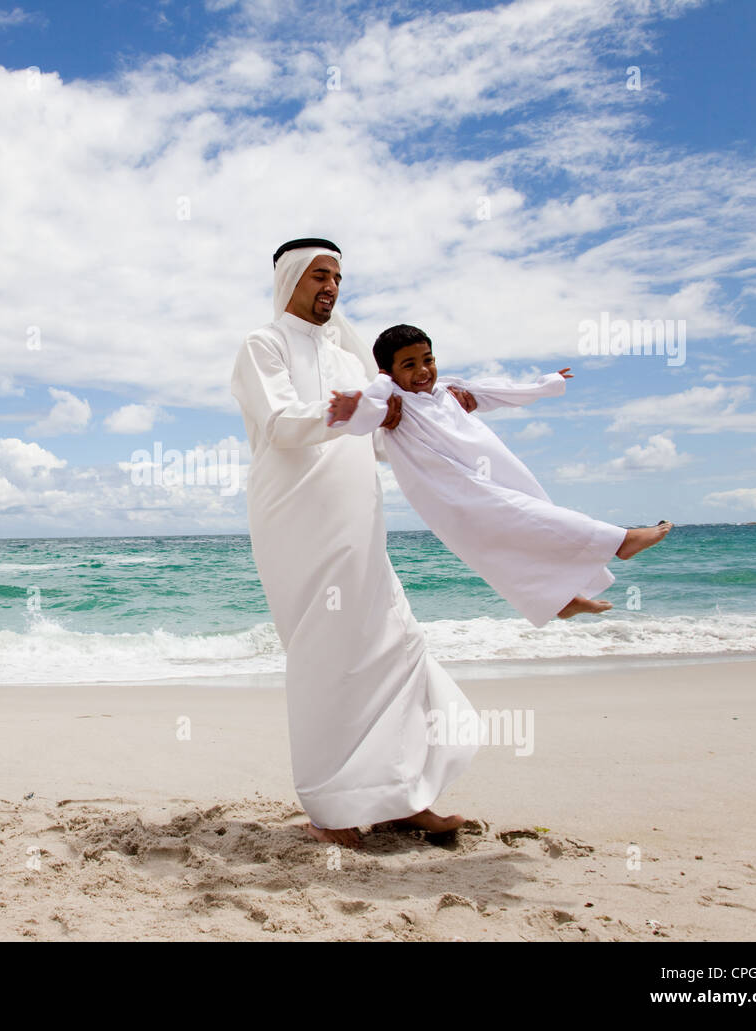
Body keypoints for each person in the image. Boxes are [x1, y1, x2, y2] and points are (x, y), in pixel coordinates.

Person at [230, 240, 480, 848]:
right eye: (320, 274)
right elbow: (283, 426)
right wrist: (357, 411)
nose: (332, 287)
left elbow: (374, 434)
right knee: (326, 657)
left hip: (359, 518)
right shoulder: (263, 346)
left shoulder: (347, 356)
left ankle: (405, 797)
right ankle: (331, 809)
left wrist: (434, 412)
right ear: (291, 278)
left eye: (338, 276)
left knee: (396, 643)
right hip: (297, 521)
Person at [327, 323, 672, 627]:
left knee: (517, 532)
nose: (422, 370)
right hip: (449, 491)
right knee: (519, 524)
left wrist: (545, 385)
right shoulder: (392, 399)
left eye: (427, 359)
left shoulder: (448, 390)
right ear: (388, 373)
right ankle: (620, 542)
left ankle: (561, 600)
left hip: (490, 474)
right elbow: (367, 412)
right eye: (409, 365)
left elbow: (497, 391)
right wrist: (351, 410)